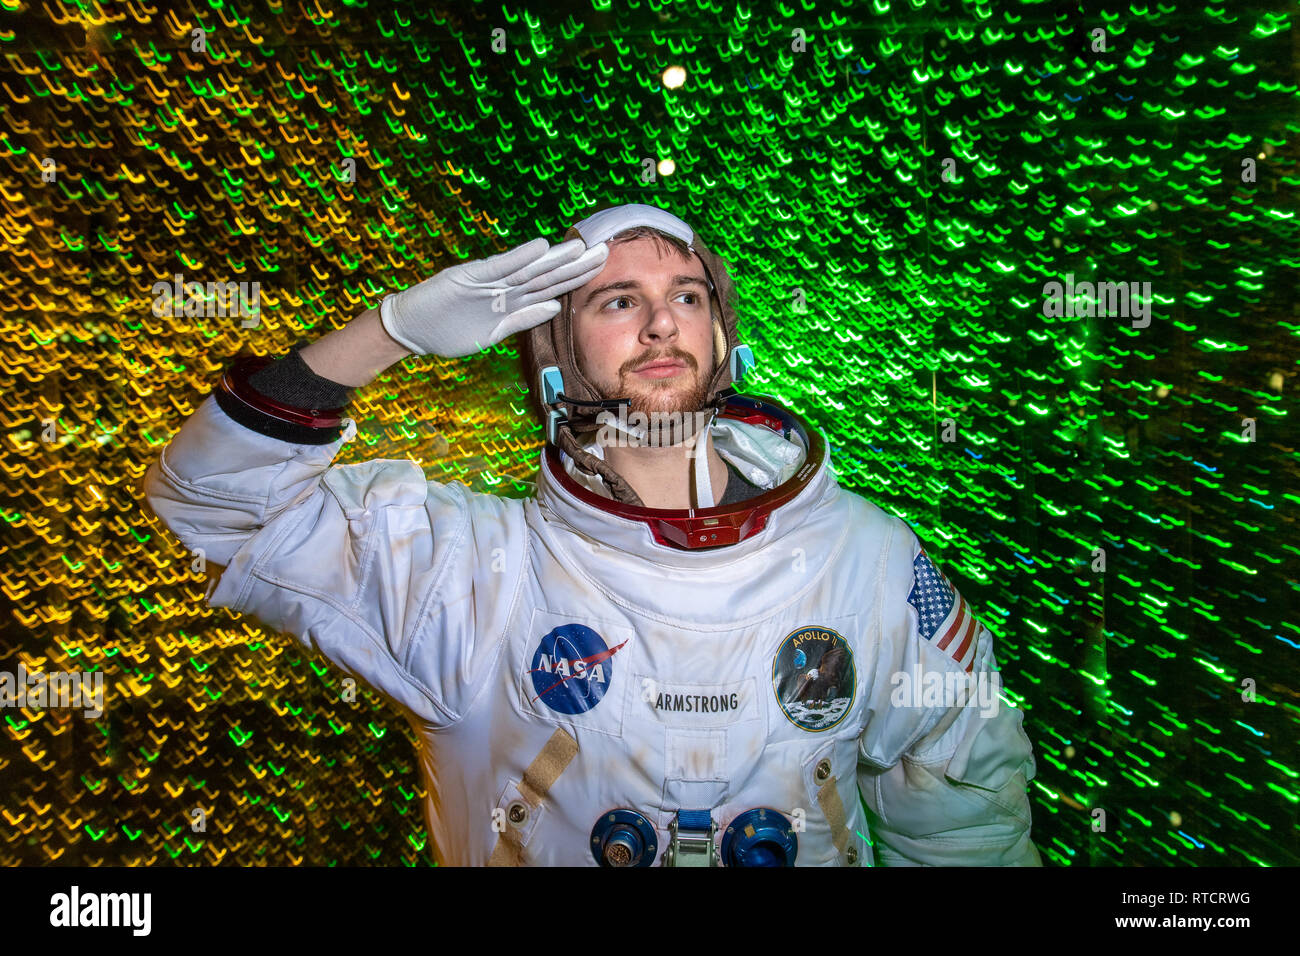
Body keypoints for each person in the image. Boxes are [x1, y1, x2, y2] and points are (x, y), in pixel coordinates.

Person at [141, 202, 1043, 867]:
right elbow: (217, 504)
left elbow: (968, 807)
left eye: (687, 295)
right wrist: (389, 332)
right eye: (617, 302)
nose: (661, 322)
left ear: (723, 335)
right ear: (554, 354)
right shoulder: (471, 574)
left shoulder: (867, 558)